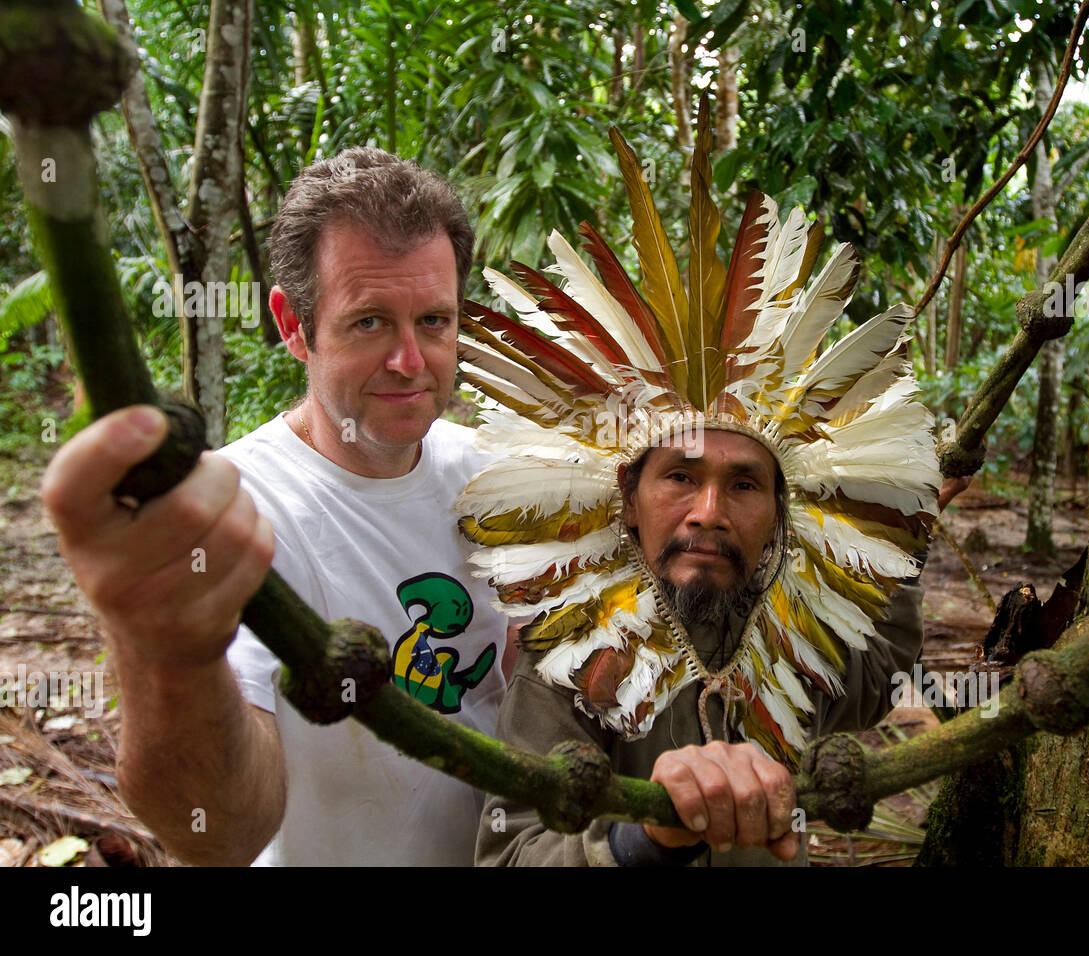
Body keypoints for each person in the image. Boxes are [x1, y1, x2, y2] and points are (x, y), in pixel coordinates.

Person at [457, 111, 948, 866]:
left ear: (784, 512)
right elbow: (511, 851)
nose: (709, 514)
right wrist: (645, 839)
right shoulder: (572, 657)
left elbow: (883, 665)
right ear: (626, 498)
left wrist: (891, 521)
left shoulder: (799, 644)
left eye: (745, 485)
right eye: (680, 478)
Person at [41, 148, 507, 865]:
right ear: (293, 325)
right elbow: (218, 828)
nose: (411, 362)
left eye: (435, 322)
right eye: (370, 322)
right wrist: (166, 653)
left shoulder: (498, 481)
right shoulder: (235, 512)